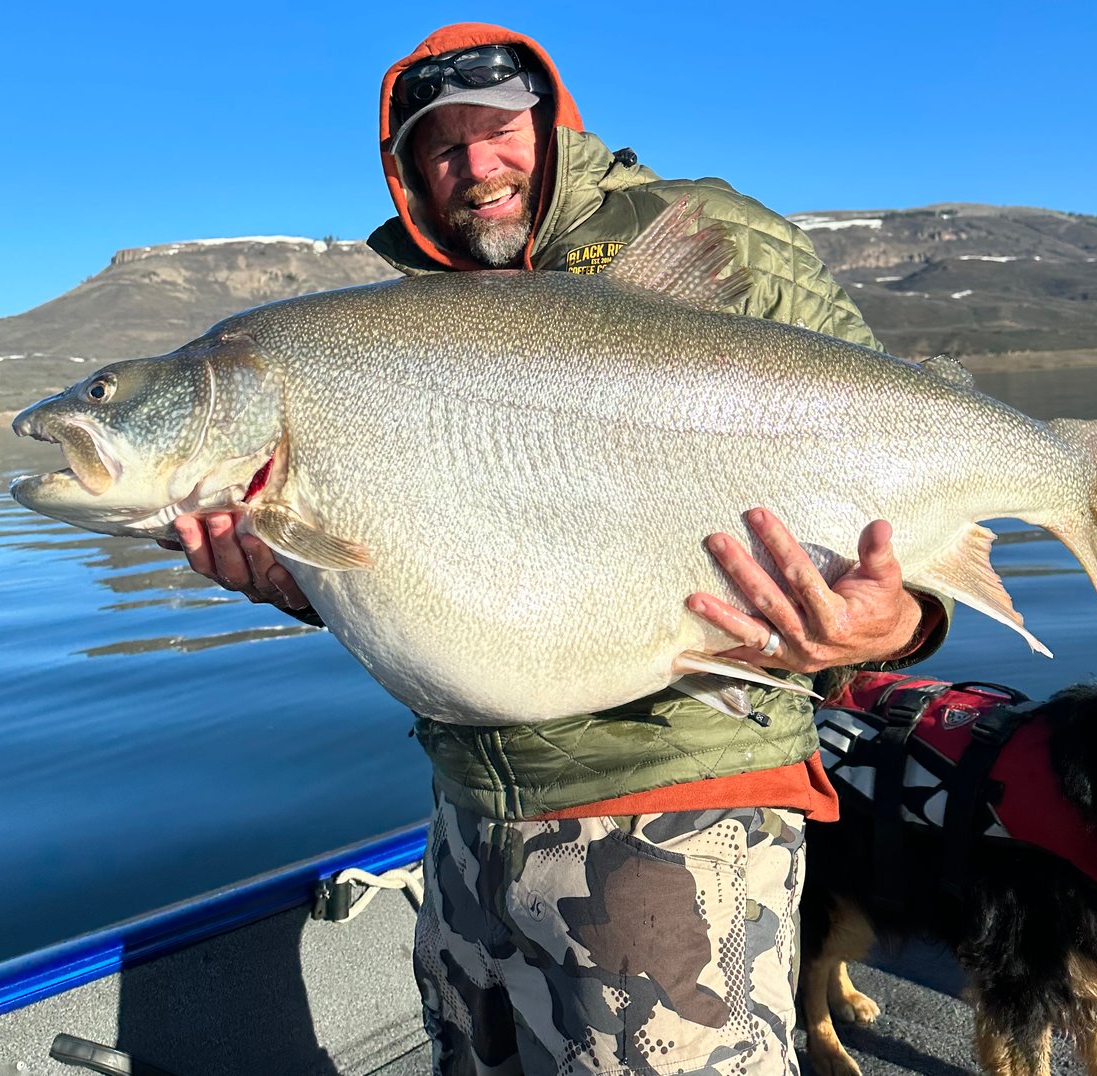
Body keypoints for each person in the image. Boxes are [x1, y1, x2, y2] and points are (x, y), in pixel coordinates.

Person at [164, 23, 947, 1075]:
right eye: (438, 148)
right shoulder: (401, 328)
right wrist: (300, 579)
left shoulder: (702, 232)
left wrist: (902, 618)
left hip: (677, 818)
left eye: (495, 132)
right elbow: (441, 567)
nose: (474, 166)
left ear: (552, 125)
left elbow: (888, 459)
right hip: (471, 824)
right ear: (405, 177)